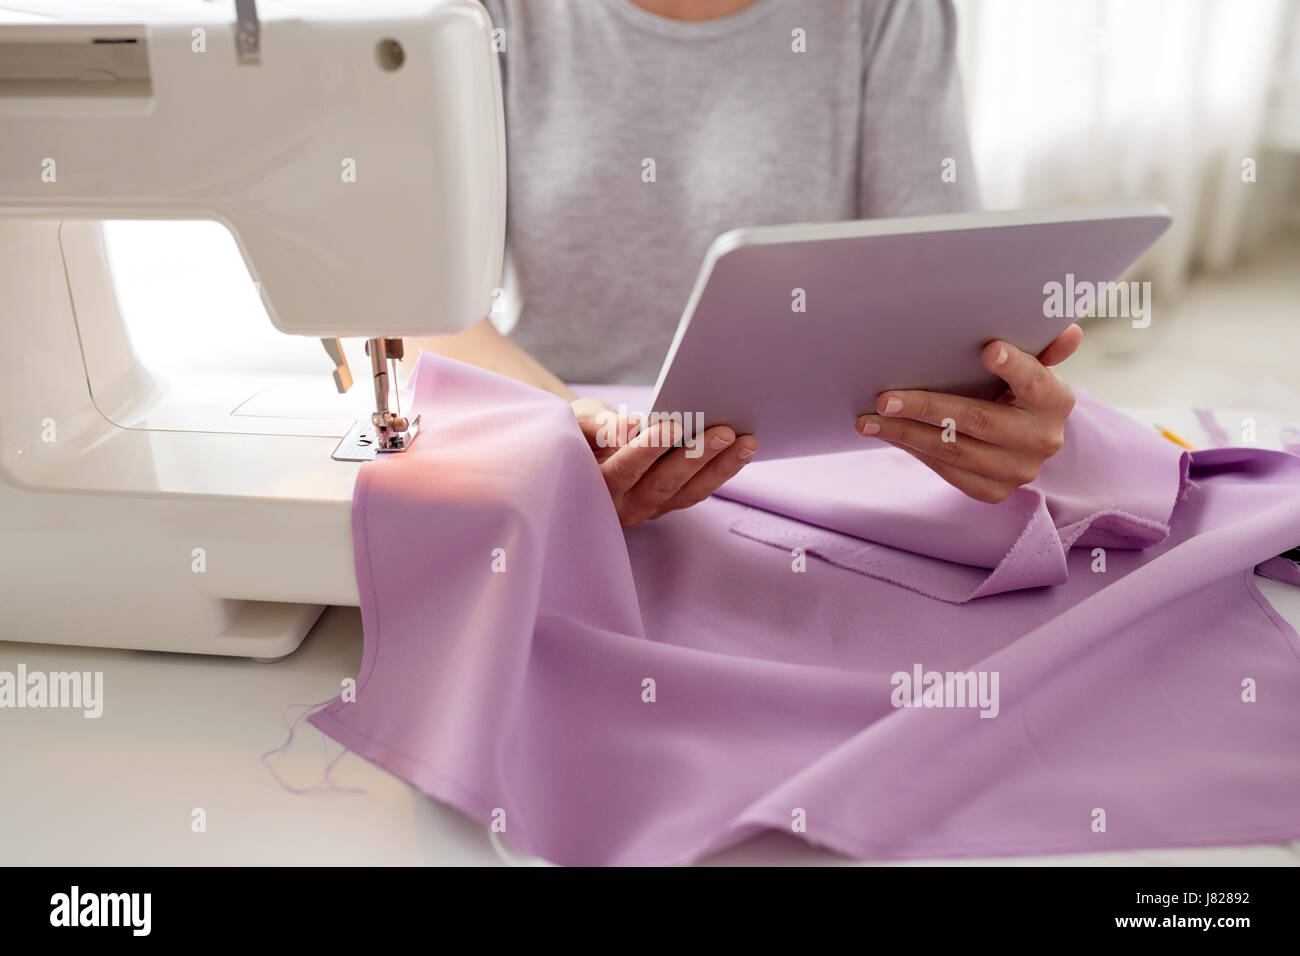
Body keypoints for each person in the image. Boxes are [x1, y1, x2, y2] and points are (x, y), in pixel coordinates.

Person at [419, 0, 1079, 526]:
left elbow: (941, 291)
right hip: (557, 432)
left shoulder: (885, 11)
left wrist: (989, 407)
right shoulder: (483, 17)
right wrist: (565, 434)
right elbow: (418, 302)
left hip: (824, 459)